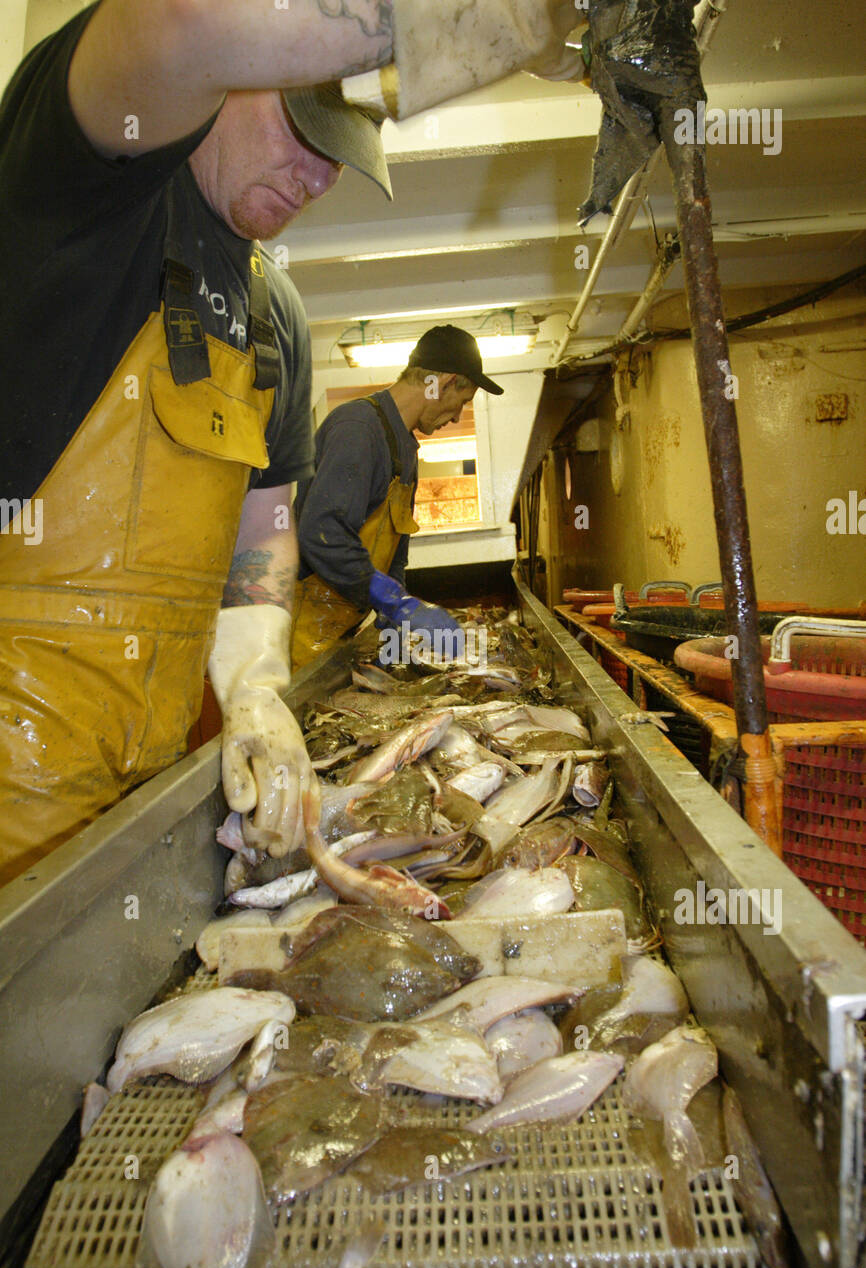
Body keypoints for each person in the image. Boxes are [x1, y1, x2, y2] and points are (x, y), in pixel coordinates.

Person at [0, 0, 581, 890]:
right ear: (223, 86)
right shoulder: (85, 192)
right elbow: (175, 21)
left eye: (341, 160)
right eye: (302, 127)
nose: (319, 180)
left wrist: (258, 684)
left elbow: (267, 525)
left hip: (151, 781)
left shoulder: (278, 315)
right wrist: (495, 16)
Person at [292, 325, 503, 667]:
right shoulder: (358, 428)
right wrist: (397, 603)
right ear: (446, 382)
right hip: (300, 632)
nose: (457, 417)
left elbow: (395, 552)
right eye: (462, 403)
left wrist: (394, 621)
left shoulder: (405, 448)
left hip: (340, 629)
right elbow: (322, 535)